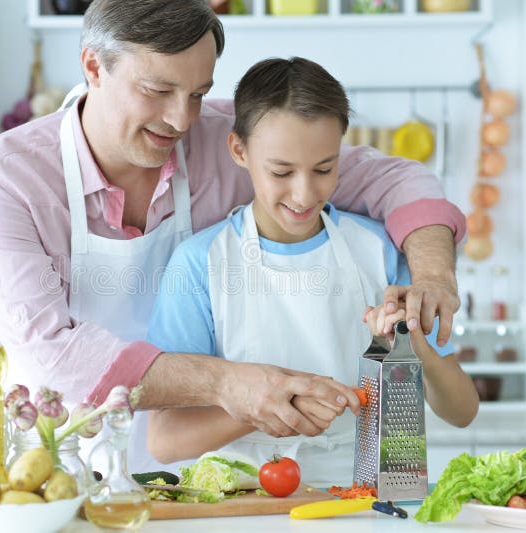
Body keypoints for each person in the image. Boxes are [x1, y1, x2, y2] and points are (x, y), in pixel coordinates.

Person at [0, 0, 466, 473]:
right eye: (158, 91)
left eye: (197, 93)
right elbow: (52, 358)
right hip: (62, 458)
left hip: (207, 473)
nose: (181, 119)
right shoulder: (2, 180)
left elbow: (395, 179)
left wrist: (434, 275)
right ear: (94, 67)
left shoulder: (234, 140)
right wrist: (230, 384)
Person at [145, 57, 478, 484]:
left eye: (324, 169)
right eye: (281, 171)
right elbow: (165, 439)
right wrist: (270, 405)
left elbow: (462, 411)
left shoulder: (378, 250)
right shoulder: (199, 264)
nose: (304, 194)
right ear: (239, 151)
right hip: (245, 497)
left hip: (368, 498)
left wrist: (414, 343)